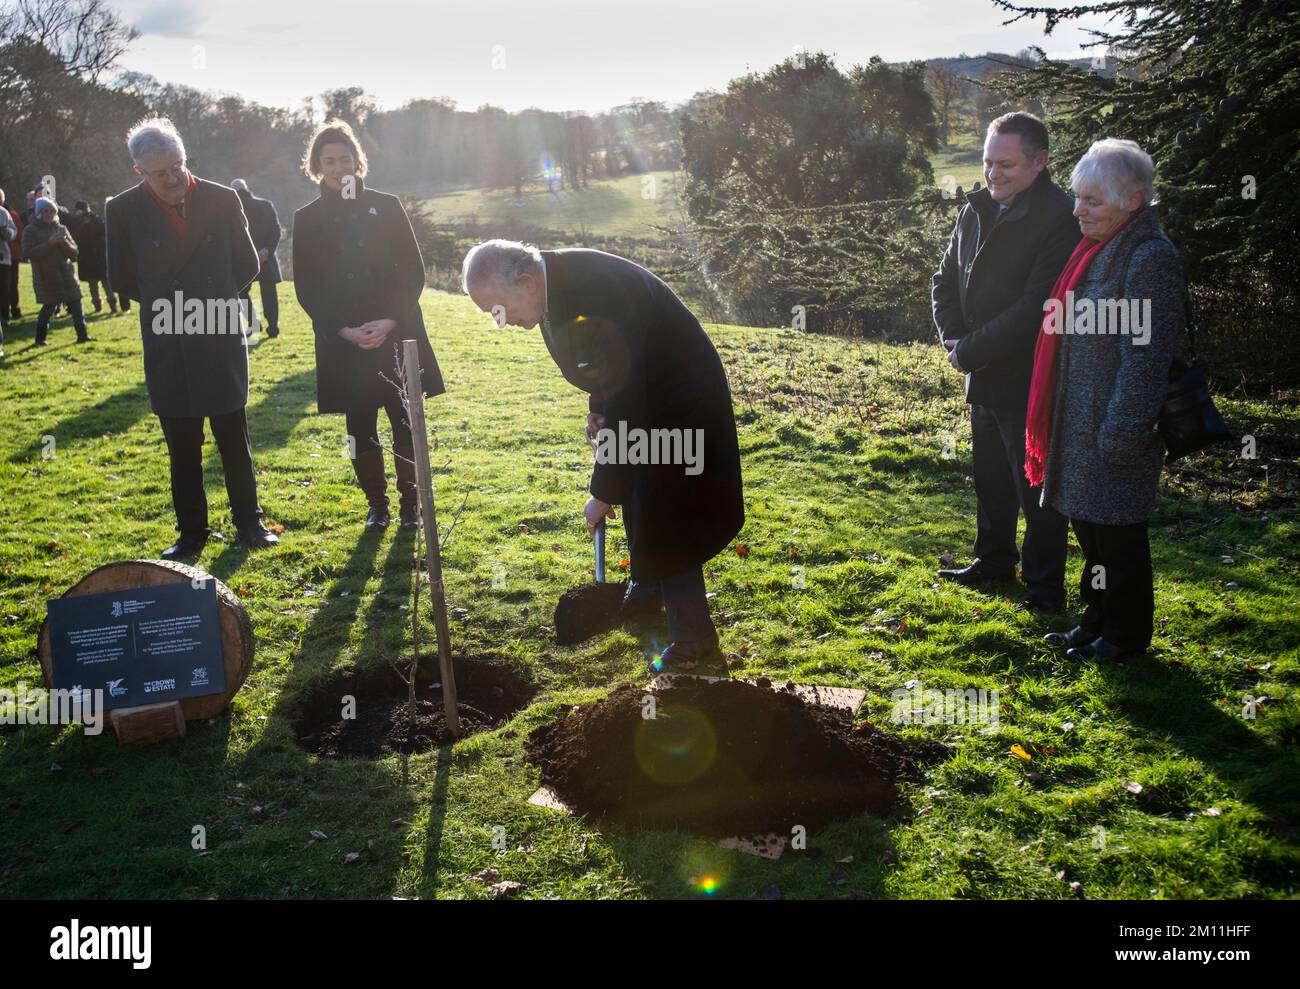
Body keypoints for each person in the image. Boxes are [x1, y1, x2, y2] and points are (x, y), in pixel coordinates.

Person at [461, 240, 745, 669]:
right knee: (643, 495)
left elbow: (629, 395)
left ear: (524, 282)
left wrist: (602, 491)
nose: (501, 323)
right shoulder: (554, 288)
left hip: (680, 403)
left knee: (666, 511)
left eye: (498, 310)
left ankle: (695, 644)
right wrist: (599, 409)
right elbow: (602, 368)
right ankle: (648, 588)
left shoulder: (595, 290)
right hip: (646, 399)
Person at [1033, 139, 1187, 661]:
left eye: (1092, 202)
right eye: (1078, 198)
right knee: (1092, 535)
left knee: (1118, 541)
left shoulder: (1149, 260)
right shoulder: (1098, 249)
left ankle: (1124, 637)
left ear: (1134, 201)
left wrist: (1121, 434)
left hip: (1116, 429)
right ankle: (1094, 621)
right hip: (1080, 424)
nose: (1077, 210)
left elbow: (1146, 359)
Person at [106, 116, 279, 558]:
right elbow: (121, 278)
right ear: (139, 172)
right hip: (167, 338)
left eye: (178, 166)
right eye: (159, 173)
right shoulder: (122, 210)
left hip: (218, 330)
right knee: (182, 447)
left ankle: (250, 524)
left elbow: (247, 264)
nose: (172, 178)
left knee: (232, 438)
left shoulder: (222, 198)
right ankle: (191, 534)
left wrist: (213, 301)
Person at [932, 111, 1079, 612]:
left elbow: (1036, 306)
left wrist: (967, 352)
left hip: (1030, 377)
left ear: (1039, 162)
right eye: (989, 162)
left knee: (1034, 486)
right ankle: (993, 561)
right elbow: (943, 281)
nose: (993, 173)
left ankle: (1043, 587)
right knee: (992, 477)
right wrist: (954, 340)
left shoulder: (1061, 218)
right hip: (980, 372)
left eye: (1007, 165)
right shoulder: (974, 208)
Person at [292, 120, 444, 532]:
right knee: (359, 428)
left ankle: (411, 505)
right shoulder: (306, 219)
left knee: (405, 421)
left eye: (345, 158)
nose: (339, 166)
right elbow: (306, 287)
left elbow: (413, 271)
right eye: (329, 160)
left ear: (358, 160)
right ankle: (377, 506)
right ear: (316, 167)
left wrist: (391, 318)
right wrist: (343, 329)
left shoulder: (387, 204)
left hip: (397, 331)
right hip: (344, 340)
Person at [22, 196, 91, 345]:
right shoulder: (30, 230)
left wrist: (64, 242)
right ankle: (40, 339)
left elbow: (74, 252)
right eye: (45, 211)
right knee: (48, 307)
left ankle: (83, 336)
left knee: (77, 305)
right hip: (46, 276)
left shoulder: (61, 228)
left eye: (51, 210)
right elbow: (29, 253)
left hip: (67, 274)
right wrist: (50, 243)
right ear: (39, 213)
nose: (48, 214)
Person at [231, 179, 282, 338]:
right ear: (247, 188)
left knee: (242, 292)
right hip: (266, 257)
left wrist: (246, 254)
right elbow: (276, 230)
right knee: (269, 295)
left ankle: (253, 324)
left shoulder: (232, 208)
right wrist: (267, 250)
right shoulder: (266, 205)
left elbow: (231, 235)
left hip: (244, 259)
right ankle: (273, 328)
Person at [69, 201, 116, 314]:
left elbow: (104, 237)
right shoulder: (78, 224)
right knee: (93, 286)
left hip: (98, 258)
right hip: (87, 259)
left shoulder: (97, 222)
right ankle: (97, 307)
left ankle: (113, 306)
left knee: (106, 284)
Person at [1, 186, 23, 321]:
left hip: (4, 257)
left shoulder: (4, 213)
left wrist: (5, 233)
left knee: (6, 287)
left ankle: (5, 315)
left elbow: (14, 232)